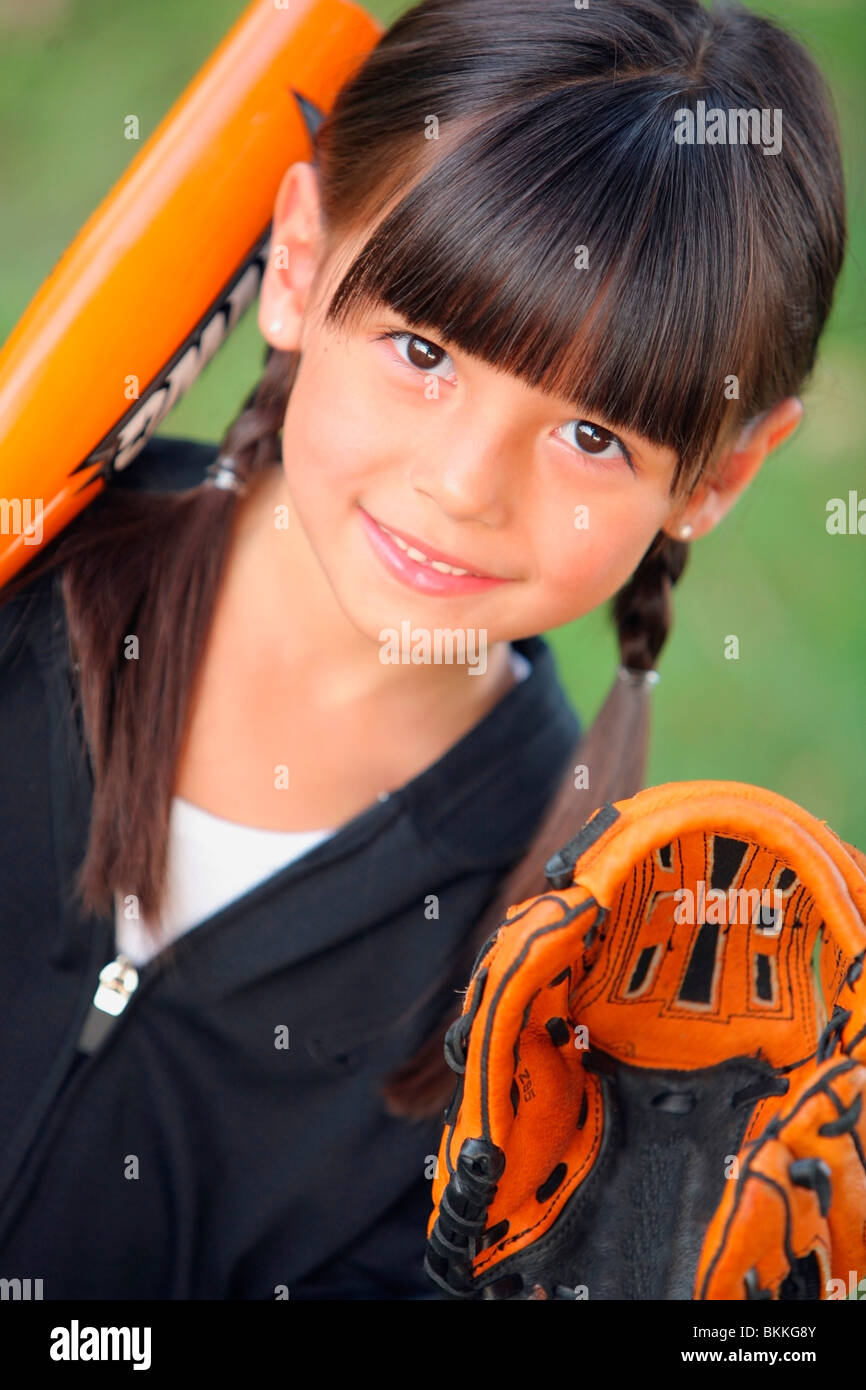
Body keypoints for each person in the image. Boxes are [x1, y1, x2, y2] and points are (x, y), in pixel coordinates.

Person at [0, 0, 846, 1299]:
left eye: (591, 436)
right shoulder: (25, 578)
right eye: (420, 350)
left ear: (718, 475)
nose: (462, 483)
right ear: (296, 260)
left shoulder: (554, 1001)